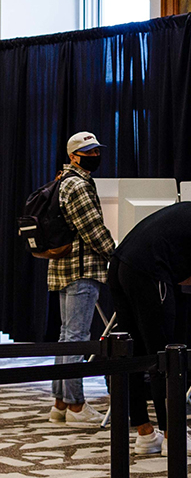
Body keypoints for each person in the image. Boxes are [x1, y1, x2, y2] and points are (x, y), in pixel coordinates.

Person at [108, 201, 191, 456]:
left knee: (132, 355)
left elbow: (183, 275)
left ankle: (145, 433)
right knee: (165, 357)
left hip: (121, 266)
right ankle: (174, 436)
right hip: (147, 272)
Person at [47, 131, 116, 425]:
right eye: (89, 151)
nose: (95, 156)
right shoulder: (78, 185)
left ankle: (61, 403)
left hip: (62, 267)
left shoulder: (62, 180)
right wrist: (117, 255)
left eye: (97, 150)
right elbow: (92, 229)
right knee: (76, 338)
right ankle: (76, 407)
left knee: (66, 337)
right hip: (81, 268)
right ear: (74, 155)